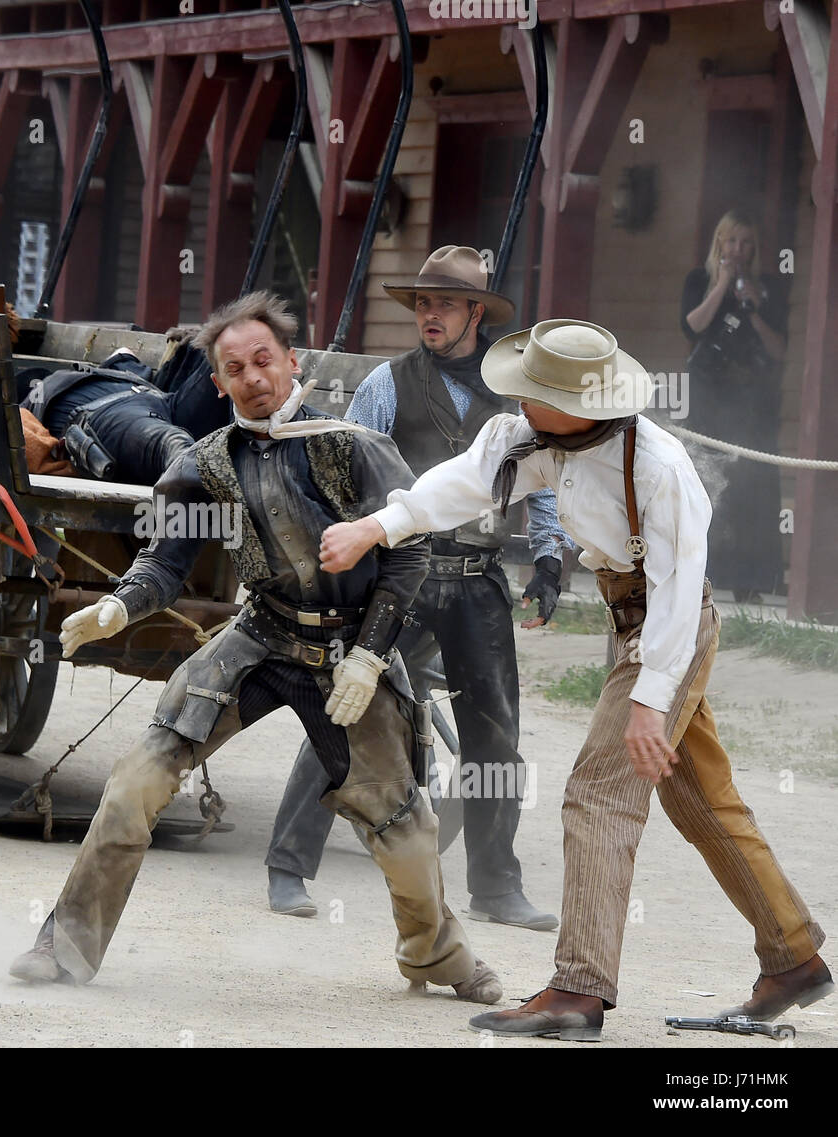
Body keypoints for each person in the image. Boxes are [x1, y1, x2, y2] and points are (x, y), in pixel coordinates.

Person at [319, 318, 828, 1042]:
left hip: (669, 634)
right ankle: (794, 956)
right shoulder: (531, 436)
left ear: (584, 403)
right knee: (704, 800)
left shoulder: (658, 466)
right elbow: (462, 482)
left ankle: (577, 990)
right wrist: (379, 525)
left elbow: (681, 592)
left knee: (597, 793)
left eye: (535, 392)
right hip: (627, 623)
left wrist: (651, 698)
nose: (520, 401)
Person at [7, 291, 502, 1004]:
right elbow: (166, 562)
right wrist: (117, 605)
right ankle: (64, 946)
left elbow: (408, 554)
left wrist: (368, 656)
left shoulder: (352, 446)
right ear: (217, 381)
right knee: (133, 785)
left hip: (348, 654)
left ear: (291, 361)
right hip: (259, 637)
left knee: (404, 828)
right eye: (234, 367)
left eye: (263, 360)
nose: (253, 377)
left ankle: (437, 958)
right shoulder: (206, 464)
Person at [265, 247, 570, 931]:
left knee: (495, 736)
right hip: (401, 573)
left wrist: (549, 559)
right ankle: (288, 866)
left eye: (444, 304)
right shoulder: (387, 383)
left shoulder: (516, 393)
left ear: (475, 314)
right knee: (348, 705)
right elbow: (347, 475)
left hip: (479, 582)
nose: (428, 315)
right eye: (422, 304)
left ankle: (494, 884)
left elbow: (542, 480)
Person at [681, 210, 787, 601]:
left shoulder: (768, 288)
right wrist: (722, 285)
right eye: (732, 242)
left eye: (746, 243)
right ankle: (702, 576)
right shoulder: (699, 280)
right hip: (708, 400)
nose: (739, 250)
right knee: (706, 485)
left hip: (752, 402)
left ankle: (752, 581)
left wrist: (752, 307)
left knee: (752, 487)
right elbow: (692, 325)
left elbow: (779, 349)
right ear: (719, 244)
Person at [19, 340, 232, 485]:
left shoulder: (88, 376)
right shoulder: (36, 400)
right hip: (106, 418)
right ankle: (199, 478)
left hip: (163, 407)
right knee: (166, 442)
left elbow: (124, 352)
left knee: (226, 351)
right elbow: (123, 352)